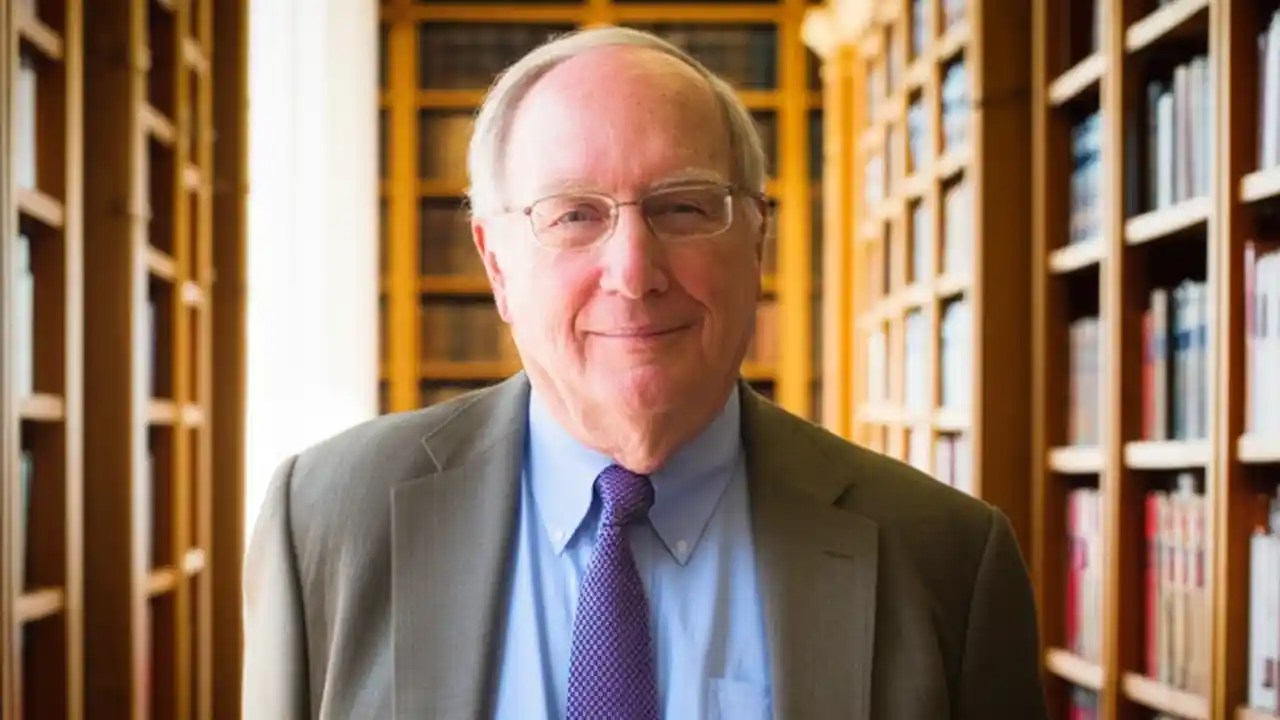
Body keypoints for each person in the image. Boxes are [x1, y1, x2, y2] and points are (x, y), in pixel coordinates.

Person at [242, 26, 1047, 720]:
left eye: (684, 206)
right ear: (497, 264)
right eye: (573, 215)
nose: (633, 272)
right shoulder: (322, 521)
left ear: (756, 241)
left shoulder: (948, 558)